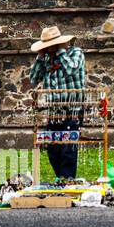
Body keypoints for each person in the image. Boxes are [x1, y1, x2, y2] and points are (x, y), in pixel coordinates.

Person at [28, 26, 86, 181]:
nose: (49, 49)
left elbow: (70, 70)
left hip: (73, 109)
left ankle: (67, 179)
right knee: (52, 146)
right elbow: (33, 79)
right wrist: (40, 58)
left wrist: (60, 51)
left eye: (51, 46)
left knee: (68, 146)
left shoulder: (76, 53)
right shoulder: (46, 58)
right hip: (53, 111)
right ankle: (60, 177)